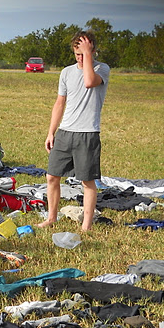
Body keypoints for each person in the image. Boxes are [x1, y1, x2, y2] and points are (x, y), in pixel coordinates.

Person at [37, 31, 110, 232]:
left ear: (93, 50)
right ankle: (51, 217)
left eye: (84, 52)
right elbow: (60, 102)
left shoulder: (101, 69)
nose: (80, 57)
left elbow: (88, 81)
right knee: (52, 176)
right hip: (65, 132)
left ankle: (86, 226)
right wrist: (51, 132)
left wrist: (87, 55)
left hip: (88, 133)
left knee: (87, 181)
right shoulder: (66, 72)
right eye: (77, 53)